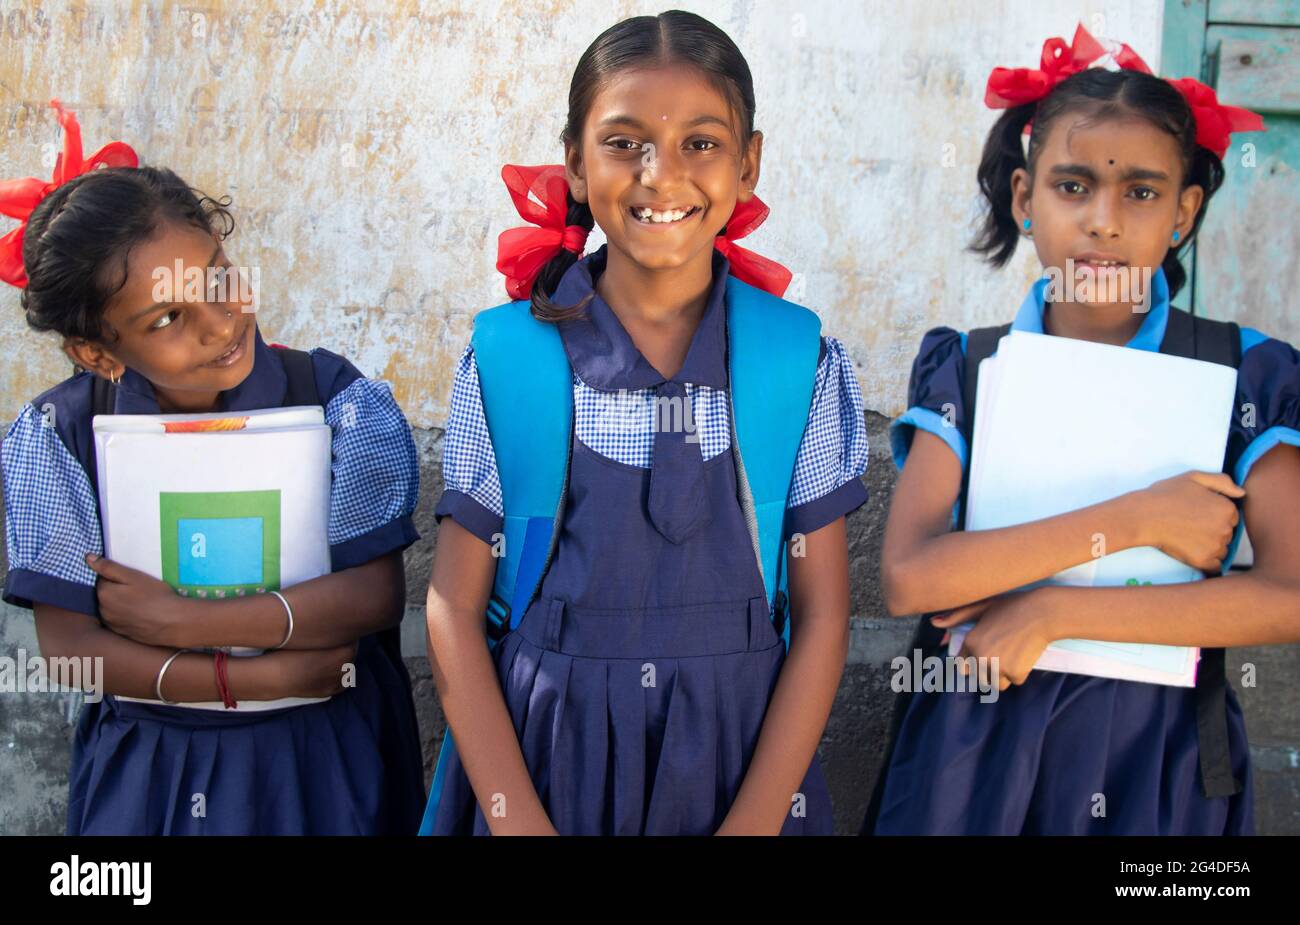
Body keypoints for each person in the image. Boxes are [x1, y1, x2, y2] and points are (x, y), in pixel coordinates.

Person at [422, 11, 869, 835]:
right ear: (576, 164)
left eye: (701, 142)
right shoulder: (509, 357)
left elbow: (824, 616)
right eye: (624, 142)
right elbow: (452, 608)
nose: (661, 176)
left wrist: (756, 821)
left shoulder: (795, 360)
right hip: (546, 761)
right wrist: (516, 819)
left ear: (749, 162)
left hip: (743, 771)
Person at [867, 26, 1298, 835]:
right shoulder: (969, 368)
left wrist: (1055, 610)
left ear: (1183, 211)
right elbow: (910, 579)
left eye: (1140, 191)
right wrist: (1137, 521)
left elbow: (1289, 596)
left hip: (1159, 760)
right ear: (1025, 199)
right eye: (1073, 188)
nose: (1103, 220)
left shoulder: (1246, 374)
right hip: (974, 750)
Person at [1, 100, 425, 834]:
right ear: (98, 353)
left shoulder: (335, 401)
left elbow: (373, 595)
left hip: (322, 763)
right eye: (166, 319)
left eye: (217, 275)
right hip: (156, 771)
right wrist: (249, 676)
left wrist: (183, 617)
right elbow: (72, 655)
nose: (220, 321)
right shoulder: (59, 436)